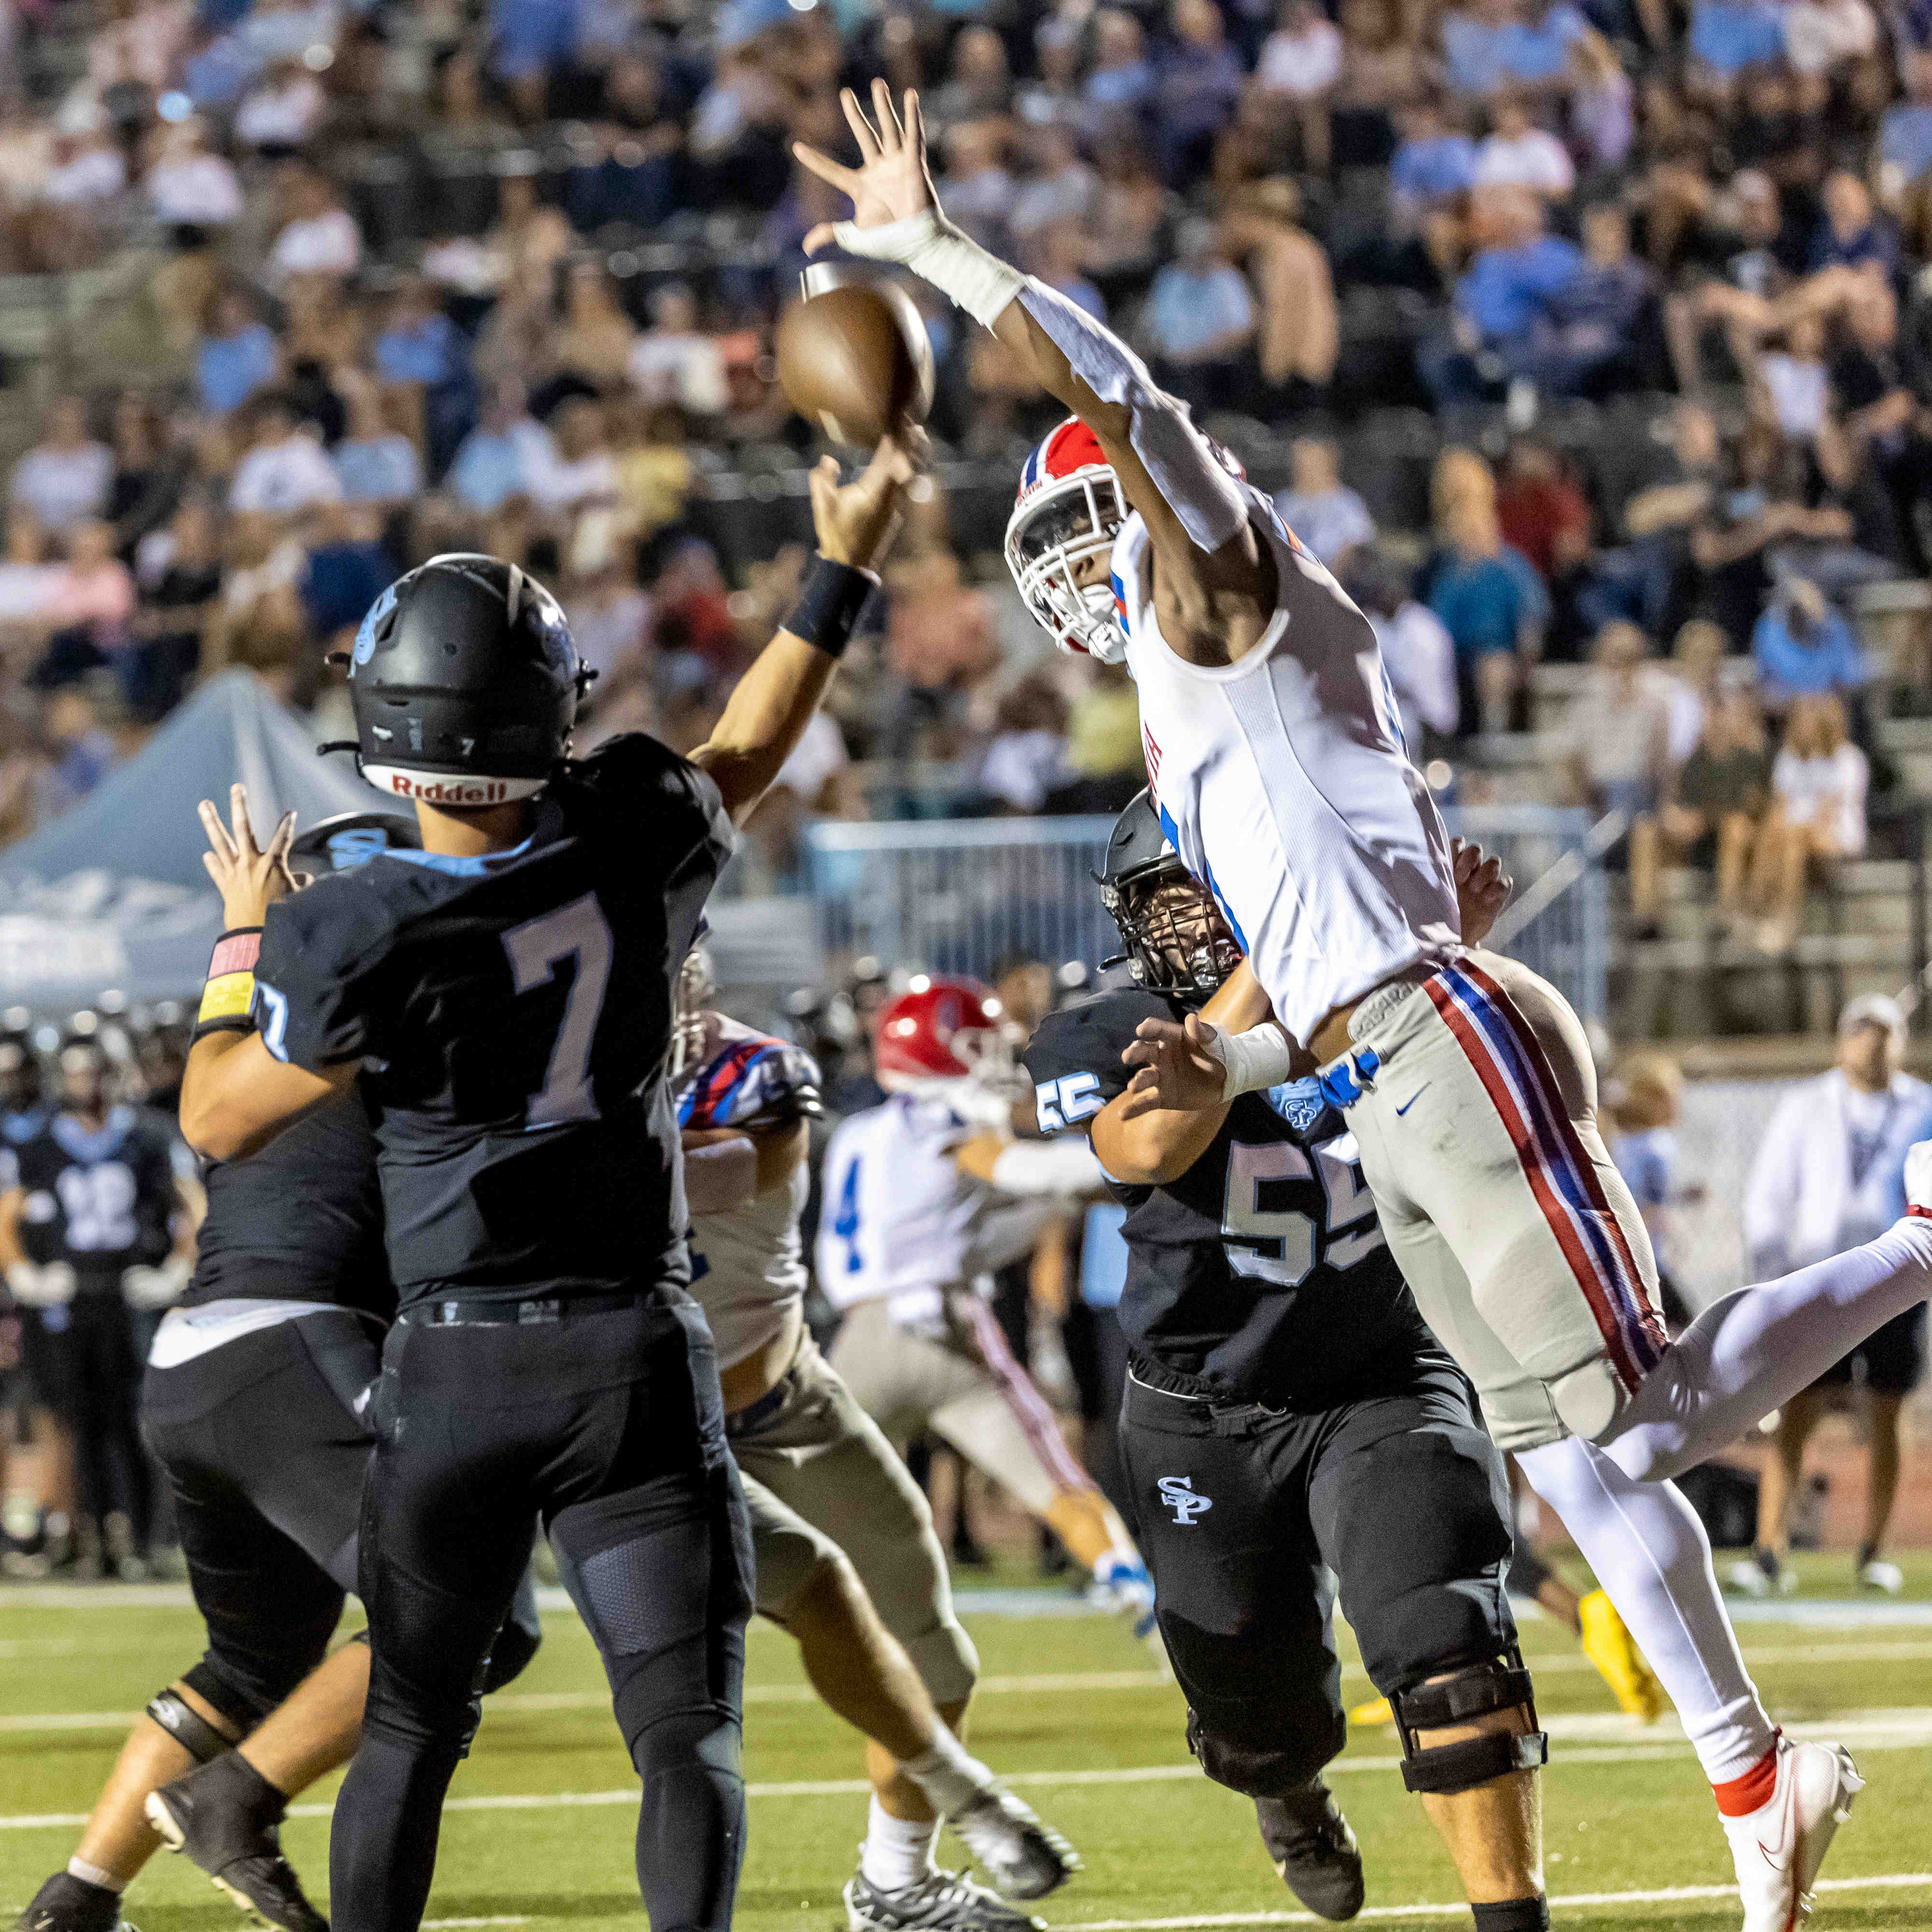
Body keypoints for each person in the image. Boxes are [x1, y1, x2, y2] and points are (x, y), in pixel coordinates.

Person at [790, 85, 1932, 1929]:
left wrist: (940, 253)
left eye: (1099, 524)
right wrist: (1226, 1048)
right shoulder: (1182, 702)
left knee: (1628, 1420)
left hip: (1428, 1032)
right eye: (1064, 546)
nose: (1087, 570)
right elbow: (1313, 932)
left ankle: (1912, 1246)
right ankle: (1754, 1781)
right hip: (1362, 1053)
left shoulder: (1221, 589)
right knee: (1566, 1452)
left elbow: (1141, 415)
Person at [177, 435, 919, 1932]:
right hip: (633, 1352)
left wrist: (244, 933)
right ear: (545, 707)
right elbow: (748, 747)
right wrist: (838, 573)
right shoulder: (628, 827)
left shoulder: (355, 924)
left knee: (408, 1732)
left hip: (454, 1365)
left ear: (381, 720)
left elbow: (216, 1116)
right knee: (684, 1735)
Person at [1023, 794, 1605, 1924]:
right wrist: (1286, 955)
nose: (1193, 920)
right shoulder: (1109, 1027)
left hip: (1379, 1374)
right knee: (1256, 1713)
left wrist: (1430, 952)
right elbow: (1146, 1143)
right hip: (1200, 1404)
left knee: (1448, 1636)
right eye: (1170, 897)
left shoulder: (1376, 991)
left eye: (1219, 884)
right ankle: (1285, 1790)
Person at [16, 815, 542, 1932]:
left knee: (254, 1659)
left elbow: (224, 1060)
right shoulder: (406, 1027)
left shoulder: (262, 1036)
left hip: (199, 1366)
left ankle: (79, 1895)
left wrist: (248, 919)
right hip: (289, 1348)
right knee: (480, 1611)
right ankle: (234, 1802)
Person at [671, 951, 1078, 1932]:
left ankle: (895, 1881)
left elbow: (711, 1177)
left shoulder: (753, 1072)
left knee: (933, 1652)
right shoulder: (527, 1079)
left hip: (786, 1397)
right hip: (634, 1420)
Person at [815, 977, 1161, 1644]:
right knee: (1061, 1488)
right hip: (945, 1333)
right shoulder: (942, 1121)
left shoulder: (860, 1133)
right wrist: (1124, 1162)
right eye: (976, 1044)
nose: (994, 1058)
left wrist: (1056, 1203)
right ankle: (1140, 1603)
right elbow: (1021, 1175)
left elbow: (959, 1228)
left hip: (858, 1336)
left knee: (789, 1484)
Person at [1737, 995, 1932, 1596]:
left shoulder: (1923, 1106)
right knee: (1796, 1404)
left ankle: (1873, 1548)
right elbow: (1771, 1190)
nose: (1870, 1045)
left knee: (1886, 1408)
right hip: (1818, 1275)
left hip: (1894, 1273)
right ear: (1841, 1040)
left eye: (1882, 1034)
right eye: (1860, 1033)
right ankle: (1770, 1547)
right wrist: (1771, 1274)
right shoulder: (1806, 1106)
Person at [1, 1031, 199, 1580]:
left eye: (91, 1072)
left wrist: (176, 1269)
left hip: (128, 1291)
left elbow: (190, 1204)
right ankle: (89, 1538)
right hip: (71, 1296)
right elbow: (8, 1214)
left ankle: (141, 1537)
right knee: (75, 1422)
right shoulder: (40, 1139)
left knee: (134, 1420)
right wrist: (24, 1272)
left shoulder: (144, 1134)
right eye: (74, 1073)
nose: (82, 1084)